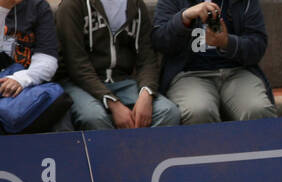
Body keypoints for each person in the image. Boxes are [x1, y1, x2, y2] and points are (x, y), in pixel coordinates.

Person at [55, 0, 179, 129]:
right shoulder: (72, 5)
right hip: (80, 84)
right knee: (95, 118)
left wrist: (146, 93)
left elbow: (147, 59)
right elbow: (76, 65)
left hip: (122, 81)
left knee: (168, 112)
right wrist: (112, 103)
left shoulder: (136, 5)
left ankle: (139, 149)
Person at [151, 0, 275, 124]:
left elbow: (258, 47)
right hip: (189, 74)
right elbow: (160, 41)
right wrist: (184, 17)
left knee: (257, 110)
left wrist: (227, 43)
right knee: (199, 111)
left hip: (237, 72)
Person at [0, 0, 70, 134]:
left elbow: (48, 58)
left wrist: (21, 79)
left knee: (59, 112)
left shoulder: (38, 6)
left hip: (29, 85)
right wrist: (3, 9)